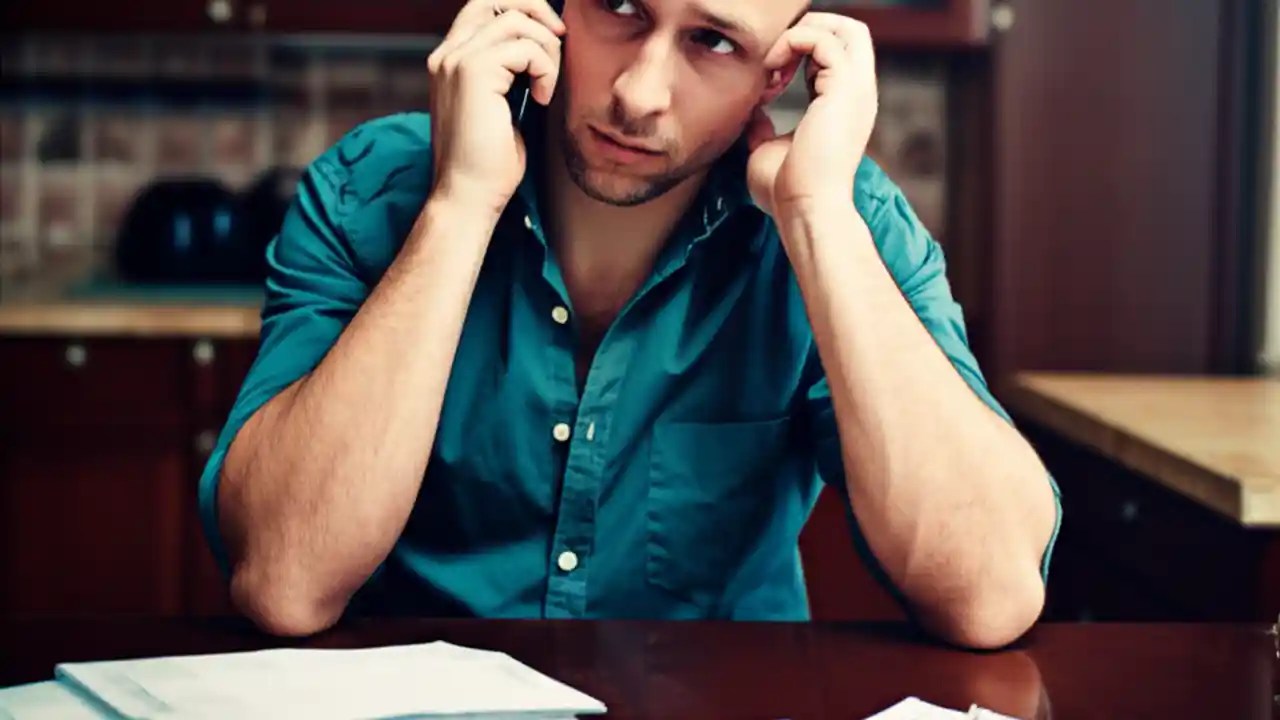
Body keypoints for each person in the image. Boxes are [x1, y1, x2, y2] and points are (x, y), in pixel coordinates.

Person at [199, 0, 1062, 649]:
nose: (639, 93)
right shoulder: (370, 191)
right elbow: (285, 583)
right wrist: (461, 204)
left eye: (713, 41)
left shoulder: (843, 219)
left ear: (778, 77)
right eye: (619, 7)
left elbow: (989, 595)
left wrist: (817, 219)